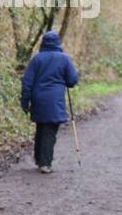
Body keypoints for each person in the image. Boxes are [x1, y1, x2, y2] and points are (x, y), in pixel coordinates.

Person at [20, 30, 79, 173]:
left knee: (41, 128)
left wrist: (25, 101)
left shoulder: (36, 59)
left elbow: (27, 82)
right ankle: (45, 163)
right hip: (55, 101)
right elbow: (72, 80)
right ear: (58, 42)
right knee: (49, 131)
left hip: (38, 99)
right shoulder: (64, 59)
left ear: (43, 43)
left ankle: (39, 159)